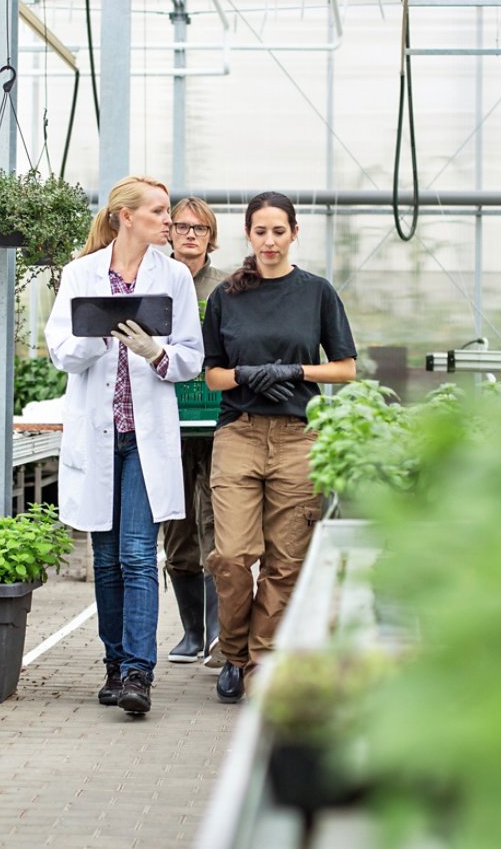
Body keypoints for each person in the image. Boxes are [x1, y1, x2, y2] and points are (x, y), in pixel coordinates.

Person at [45, 175, 203, 717]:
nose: (170, 222)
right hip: (98, 434)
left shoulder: (175, 277)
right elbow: (61, 350)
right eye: (160, 212)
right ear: (125, 217)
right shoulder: (80, 273)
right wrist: (102, 332)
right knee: (106, 559)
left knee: (138, 554)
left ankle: (139, 670)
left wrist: (154, 351)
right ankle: (114, 666)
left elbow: (191, 358)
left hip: (146, 437)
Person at [202, 192, 358, 703]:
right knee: (230, 555)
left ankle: (258, 665)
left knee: (285, 561)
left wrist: (294, 370)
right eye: (260, 231)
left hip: (298, 437)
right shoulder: (227, 295)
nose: (269, 241)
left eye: (278, 231)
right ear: (248, 235)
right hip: (240, 433)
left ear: (294, 233)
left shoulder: (317, 293)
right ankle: (233, 650)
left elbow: (346, 368)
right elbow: (213, 375)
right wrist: (246, 374)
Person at [161, 196, 227, 665]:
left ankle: (217, 632)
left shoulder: (228, 288)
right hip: (168, 421)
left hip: (218, 420)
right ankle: (190, 630)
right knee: (178, 527)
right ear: (169, 232)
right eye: (181, 226)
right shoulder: (155, 280)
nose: (189, 234)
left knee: (216, 523)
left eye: (199, 229)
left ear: (210, 237)